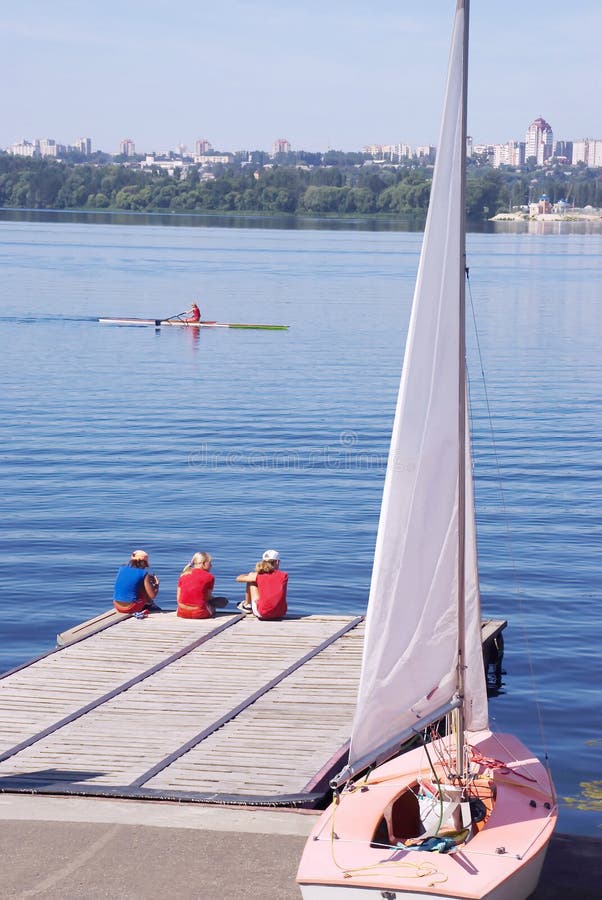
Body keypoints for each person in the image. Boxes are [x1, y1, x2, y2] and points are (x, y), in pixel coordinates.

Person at [236, 549, 288, 620]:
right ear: (277, 562)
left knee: (251, 581)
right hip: (281, 613)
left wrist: (251, 574)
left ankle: (247, 605)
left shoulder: (257, 575)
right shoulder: (284, 576)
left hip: (263, 613)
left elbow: (238, 578)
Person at [176, 552, 228, 619]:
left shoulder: (183, 574)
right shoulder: (210, 577)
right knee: (214, 607)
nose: (211, 566)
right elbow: (207, 597)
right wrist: (216, 600)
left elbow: (178, 597)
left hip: (181, 612)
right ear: (203, 564)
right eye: (210, 563)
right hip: (199, 613)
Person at [113, 550, 160, 614]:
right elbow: (152, 596)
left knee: (138, 585)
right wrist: (157, 585)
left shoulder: (122, 568)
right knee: (145, 588)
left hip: (117, 606)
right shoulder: (144, 573)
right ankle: (150, 605)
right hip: (131, 607)